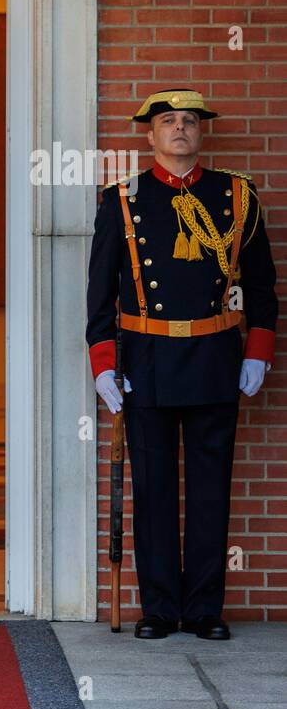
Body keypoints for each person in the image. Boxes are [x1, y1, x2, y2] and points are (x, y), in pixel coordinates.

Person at [86, 88, 278, 640]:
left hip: (216, 357)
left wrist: (258, 351)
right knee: (152, 489)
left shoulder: (236, 197)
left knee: (211, 488)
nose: (179, 129)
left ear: (201, 133)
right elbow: (100, 295)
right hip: (144, 362)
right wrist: (103, 364)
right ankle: (159, 608)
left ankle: (203, 610)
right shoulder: (121, 199)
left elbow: (262, 285)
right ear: (150, 135)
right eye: (168, 121)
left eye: (189, 121)